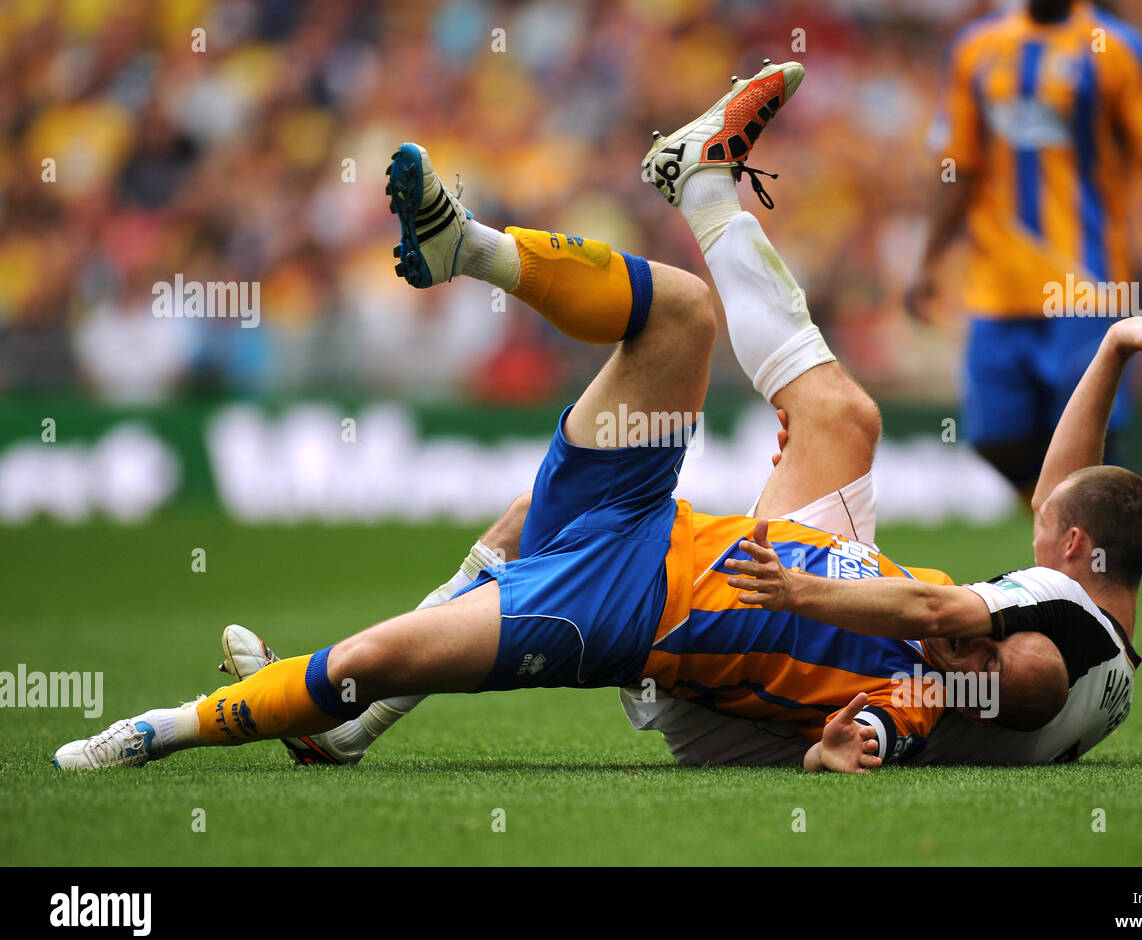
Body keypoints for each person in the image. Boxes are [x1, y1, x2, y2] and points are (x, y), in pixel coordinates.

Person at [53, 62, 1070, 776]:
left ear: (974, 694)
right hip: (658, 524)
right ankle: (480, 248)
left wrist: (850, 743)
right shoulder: (943, 604)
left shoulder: (912, 697)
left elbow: (848, 744)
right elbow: (1006, 592)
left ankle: (165, 729)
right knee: (694, 328)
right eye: (995, 631)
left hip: (629, 612)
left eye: (985, 661)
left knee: (374, 656)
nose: (976, 637)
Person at [907, 0, 1142, 500]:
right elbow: (958, 165)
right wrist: (927, 261)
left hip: (1088, 282)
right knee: (994, 438)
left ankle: (1100, 563)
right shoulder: (976, 48)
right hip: (998, 284)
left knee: (1094, 438)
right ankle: (1065, 531)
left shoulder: (1115, 46)